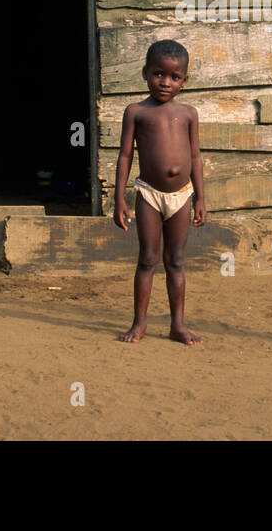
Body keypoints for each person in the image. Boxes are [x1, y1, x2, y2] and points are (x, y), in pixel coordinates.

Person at [113, 39, 206, 344]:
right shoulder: (136, 112)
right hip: (148, 194)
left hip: (182, 195)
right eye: (158, 74)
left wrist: (201, 199)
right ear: (145, 73)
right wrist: (119, 199)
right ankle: (139, 323)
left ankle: (177, 325)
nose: (165, 82)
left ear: (184, 80)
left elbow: (195, 157)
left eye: (174, 77)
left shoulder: (189, 114)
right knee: (147, 259)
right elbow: (125, 155)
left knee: (176, 261)